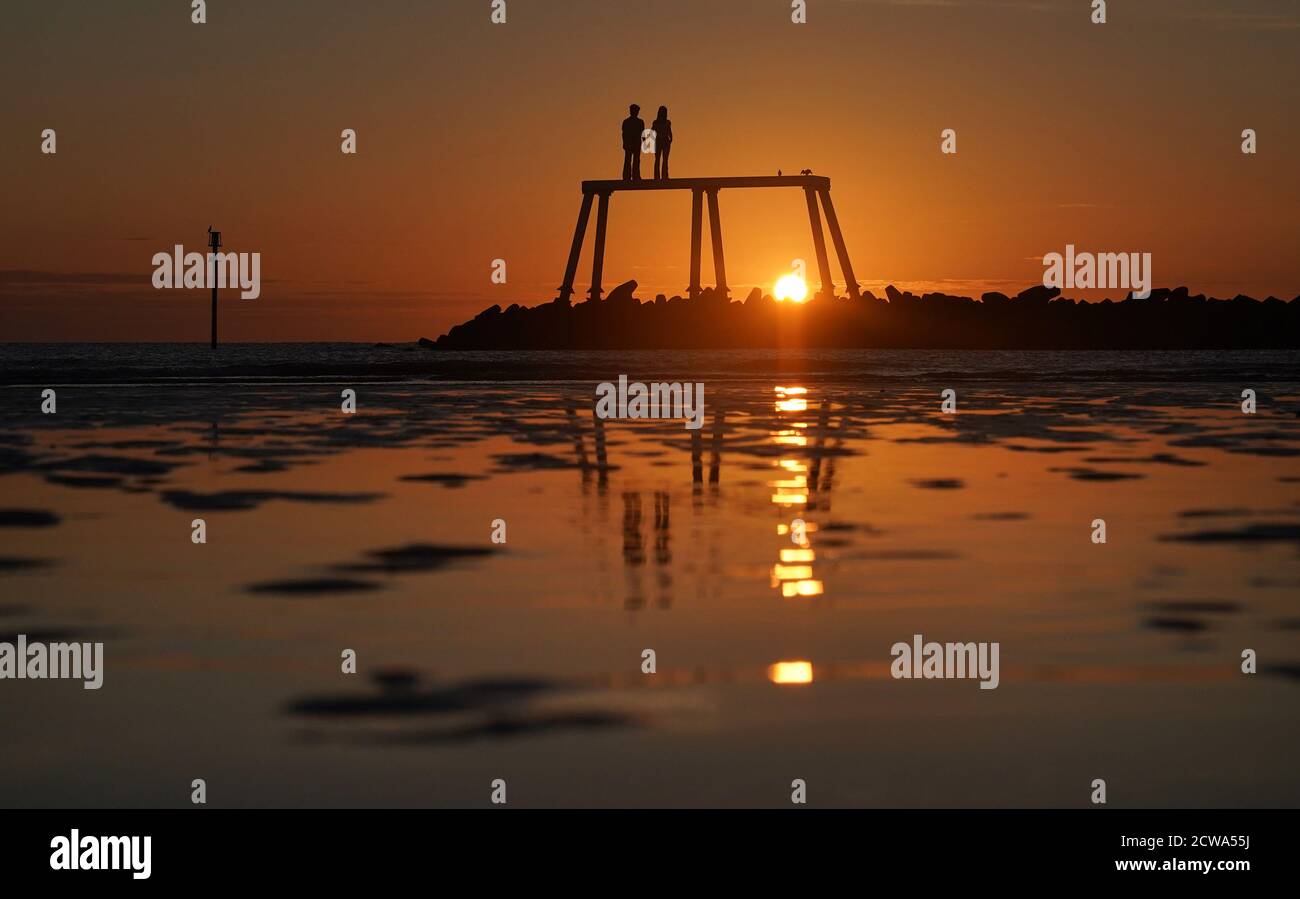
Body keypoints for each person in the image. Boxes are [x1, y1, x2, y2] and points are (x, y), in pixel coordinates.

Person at [621, 104, 645, 182]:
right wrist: (624, 143)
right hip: (630, 143)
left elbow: (642, 133)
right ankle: (628, 176)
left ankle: (634, 176)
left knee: (635, 160)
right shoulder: (627, 122)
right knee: (629, 160)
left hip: (636, 143)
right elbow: (624, 133)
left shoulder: (639, 122)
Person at [652, 106, 672, 180]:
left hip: (664, 141)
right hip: (659, 141)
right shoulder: (656, 122)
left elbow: (669, 132)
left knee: (664, 159)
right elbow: (652, 131)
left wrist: (670, 139)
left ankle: (664, 176)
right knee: (658, 159)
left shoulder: (667, 122)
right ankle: (658, 176)